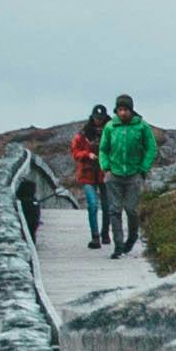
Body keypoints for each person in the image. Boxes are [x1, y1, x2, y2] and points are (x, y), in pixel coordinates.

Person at [98, 95, 159, 259]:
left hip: (134, 175)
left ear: (131, 110)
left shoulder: (142, 127)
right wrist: (106, 168)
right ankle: (118, 246)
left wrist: (143, 169)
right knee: (114, 210)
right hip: (114, 175)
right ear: (116, 110)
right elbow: (103, 149)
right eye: (120, 110)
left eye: (126, 110)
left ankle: (132, 237)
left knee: (131, 209)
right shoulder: (110, 127)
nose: (123, 113)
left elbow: (151, 148)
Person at [75, 99, 114, 251]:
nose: (98, 121)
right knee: (92, 205)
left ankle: (105, 232)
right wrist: (87, 154)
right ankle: (95, 236)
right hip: (87, 173)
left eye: (101, 118)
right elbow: (75, 151)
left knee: (107, 205)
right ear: (92, 117)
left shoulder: (112, 131)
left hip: (105, 172)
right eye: (96, 118)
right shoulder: (83, 134)